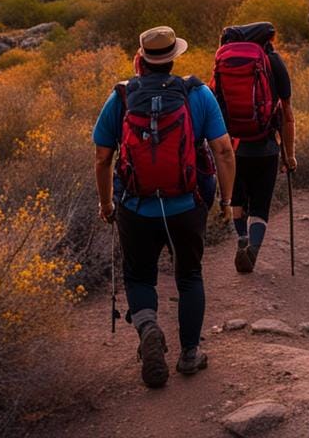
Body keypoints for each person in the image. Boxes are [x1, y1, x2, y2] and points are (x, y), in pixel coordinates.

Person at [94, 26, 236, 389]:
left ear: (140, 60)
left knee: (140, 276)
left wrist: (107, 203)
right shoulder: (197, 93)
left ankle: (148, 327)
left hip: (136, 208)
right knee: (189, 276)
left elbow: (102, 157)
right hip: (186, 206)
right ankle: (189, 355)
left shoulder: (122, 97)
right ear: (174, 58)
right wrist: (226, 200)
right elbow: (223, 150)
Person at [211, 22, 296, 274]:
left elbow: (215, 105)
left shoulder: (223, 63)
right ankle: (254, 249)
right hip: (265, 146)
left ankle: (241, 239)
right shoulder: (272, 61)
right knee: (259, 204)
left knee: (237, 200)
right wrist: (289, 155)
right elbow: (287, 113)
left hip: (232, 147)